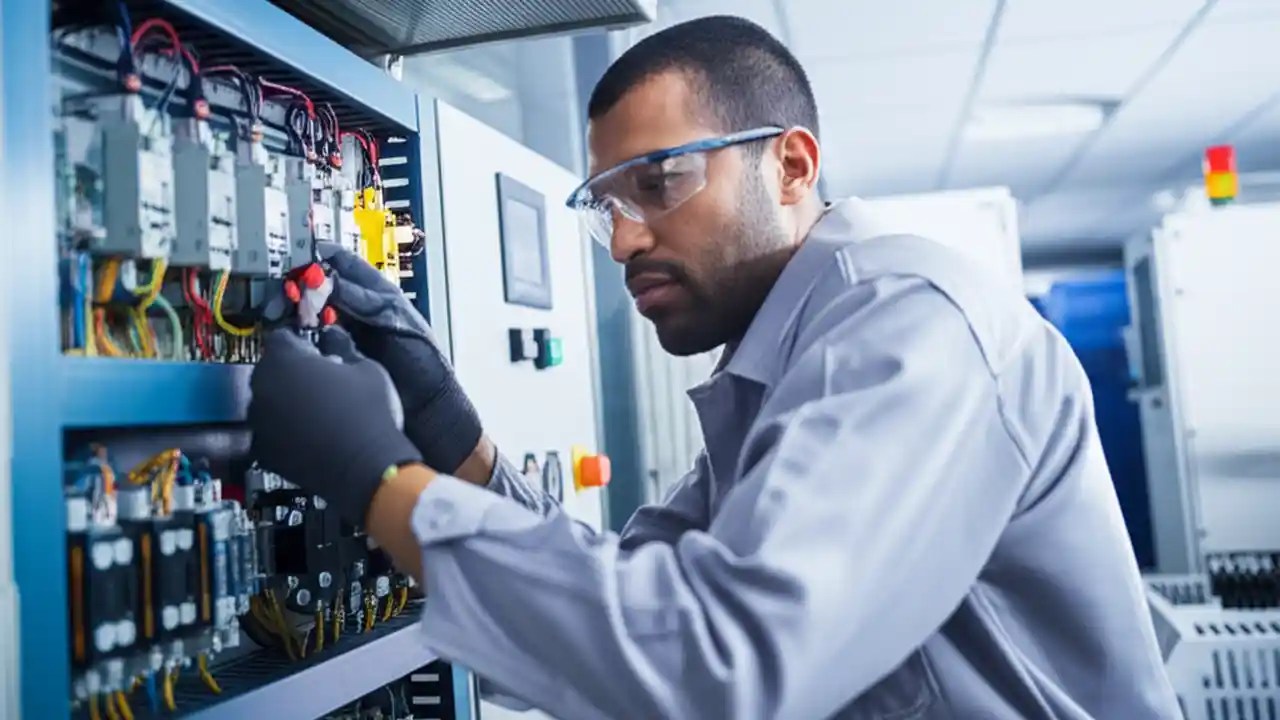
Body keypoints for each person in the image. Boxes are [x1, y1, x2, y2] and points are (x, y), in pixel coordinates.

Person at [247, 15, 1180, 720]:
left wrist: (379, 481)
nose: (621, 240)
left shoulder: (908, 325)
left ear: (792, 164)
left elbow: (716, 664)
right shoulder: (786, 365)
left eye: (658, 184)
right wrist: (447, 432)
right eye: (603, 204)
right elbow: (634, 596)